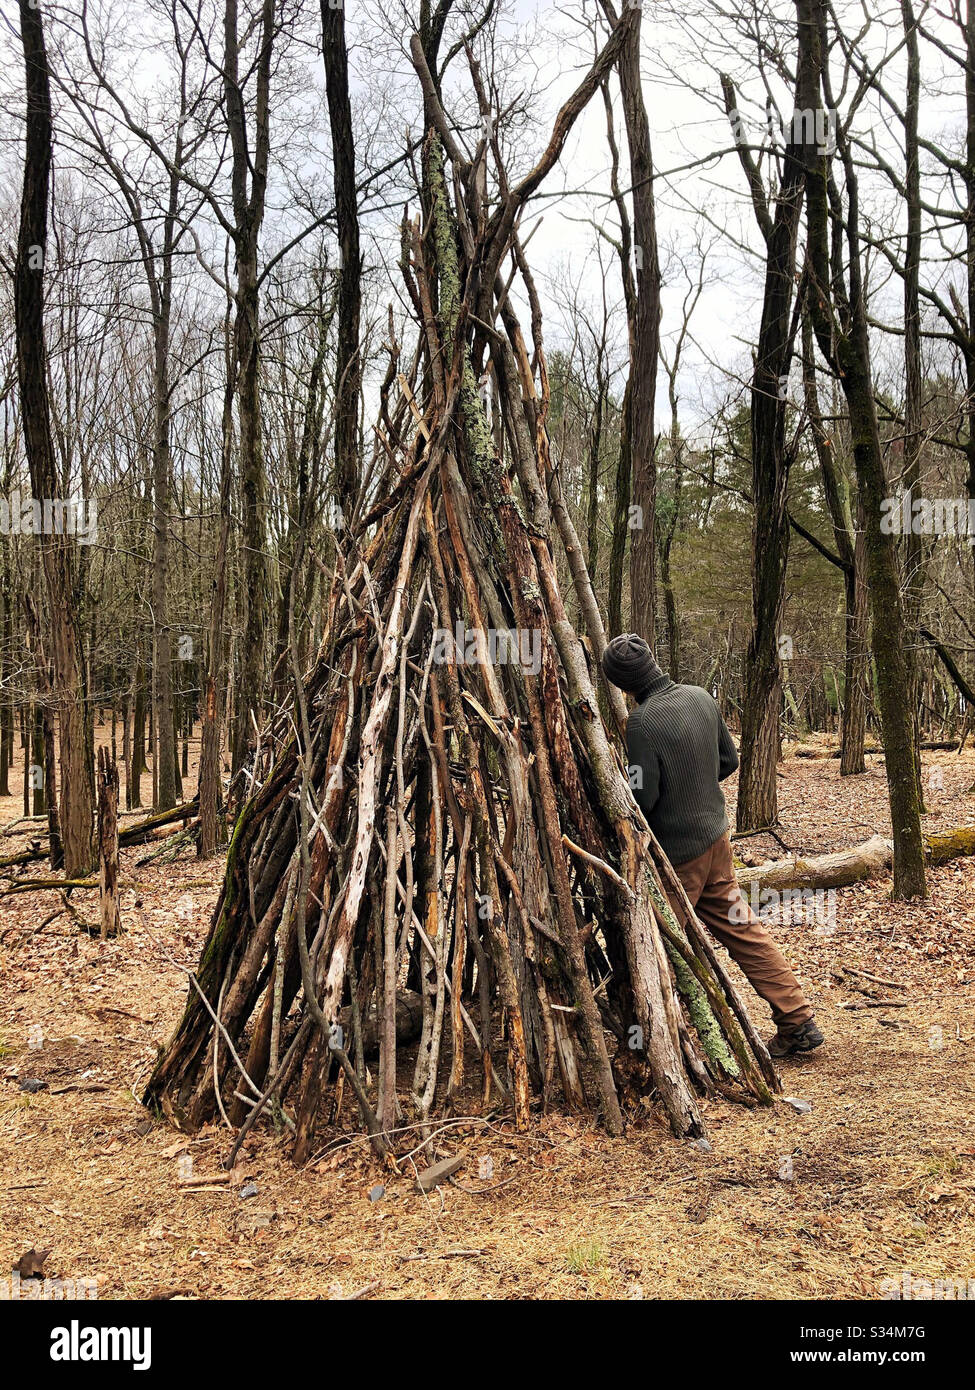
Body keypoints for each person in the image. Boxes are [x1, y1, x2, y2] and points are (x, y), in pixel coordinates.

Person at [601, 632, 823, 1058]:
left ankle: (666, 1037)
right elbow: (729, 760)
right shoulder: (700, 696)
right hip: (717, 838)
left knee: (661, 941)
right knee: (743, 929)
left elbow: (642, 797)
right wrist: (695, 786)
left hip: (679, 856)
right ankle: (797, 1019)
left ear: (622, 683)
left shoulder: (643, 724)